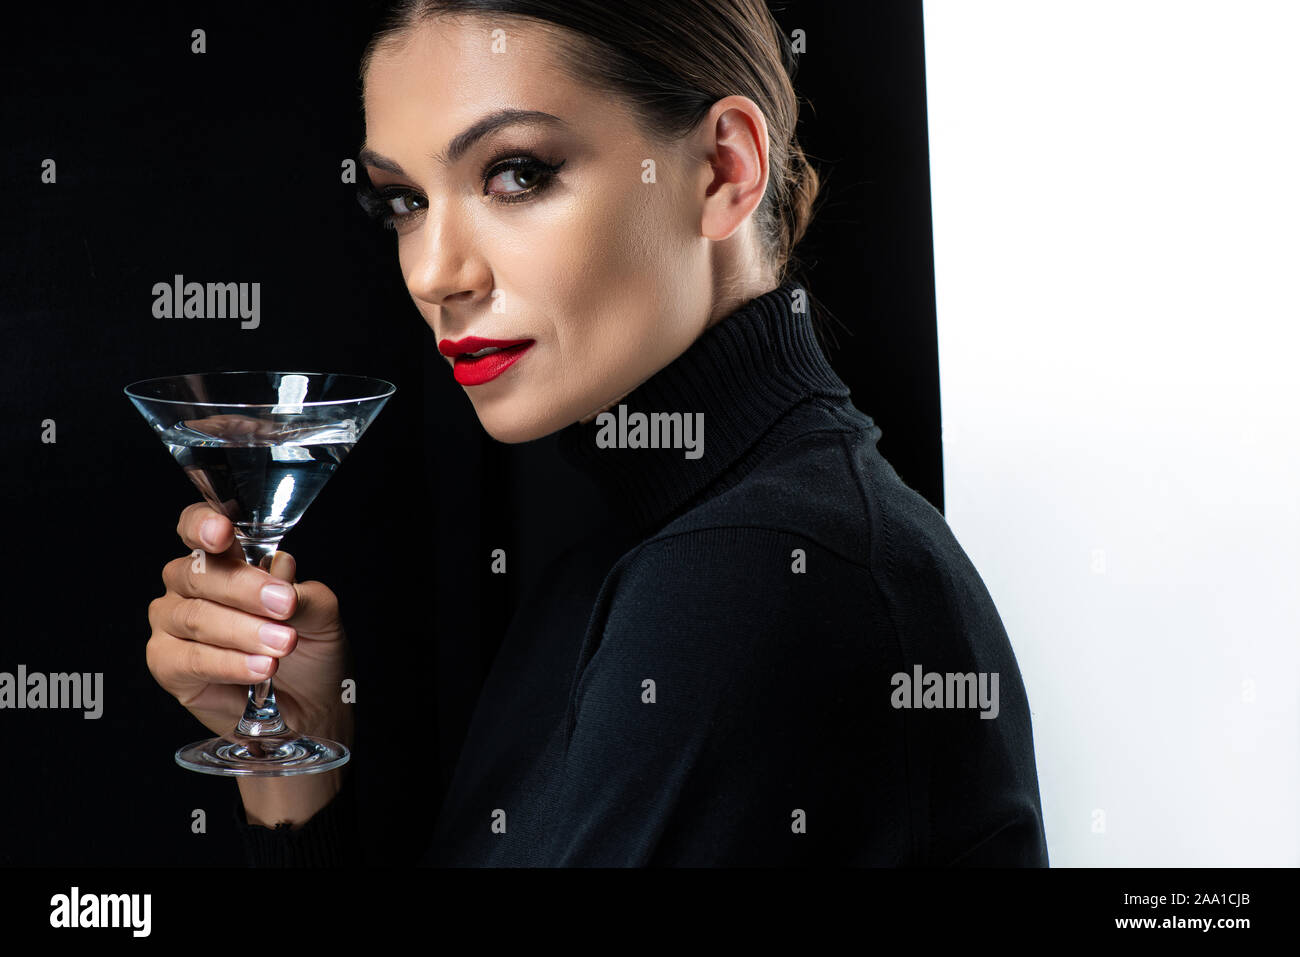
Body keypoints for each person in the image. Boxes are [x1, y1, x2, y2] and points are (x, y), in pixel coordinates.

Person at [145, 0, 1050, 866]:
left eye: (516, 173)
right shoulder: (632, 555)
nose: (432, 272)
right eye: (404, 201)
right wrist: (289, 760)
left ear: (724, 170)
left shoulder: (758, 571)